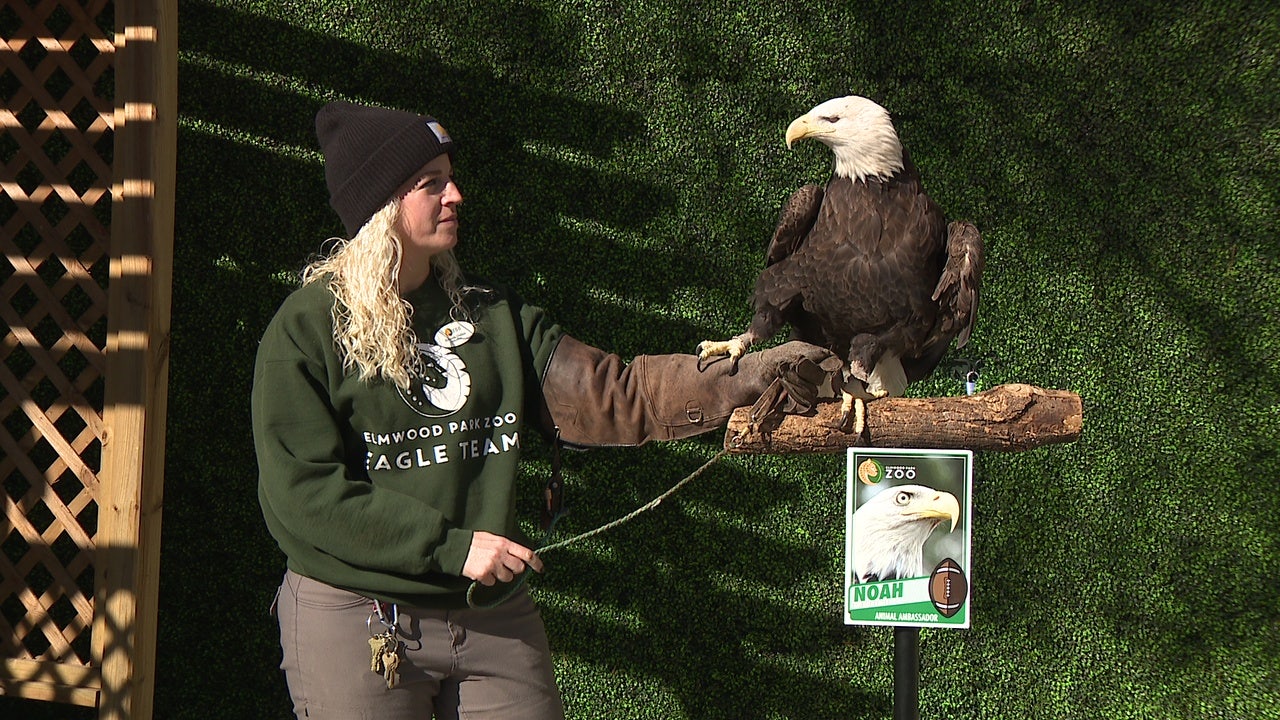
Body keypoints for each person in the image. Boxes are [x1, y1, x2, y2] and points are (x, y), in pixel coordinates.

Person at [252, 99, 839, 720]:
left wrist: (751, 375)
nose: (456, 195)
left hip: (488, 610)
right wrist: (451, 548)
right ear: (379, 208)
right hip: (360, 615)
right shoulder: (309, 330)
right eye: (430, 185)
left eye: (450, 177)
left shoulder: (489, 316)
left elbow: (616, 393)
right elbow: (303, 496)